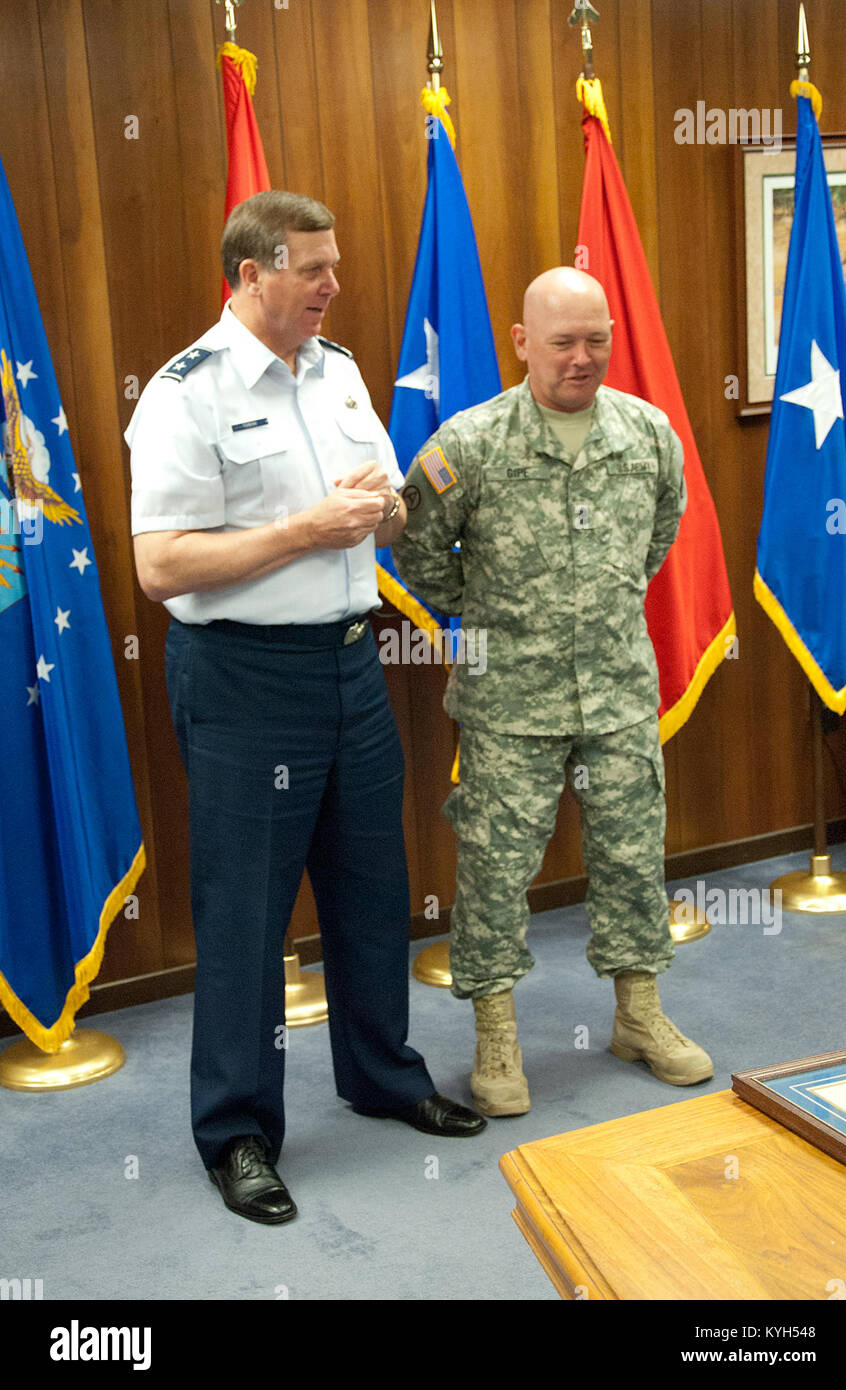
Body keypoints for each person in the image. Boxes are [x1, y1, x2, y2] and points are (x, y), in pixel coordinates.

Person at [125, 190, 485, 1226]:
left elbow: (384, 504)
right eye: (313, 269)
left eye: (335, 266)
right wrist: (308, 527)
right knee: (245, 912)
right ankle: (236, 1131)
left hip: (347, 665)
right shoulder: (182, 394)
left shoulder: (338, 371)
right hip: (243, 680)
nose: (334, 285)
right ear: (250, 275)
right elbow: (161, 566)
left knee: (373, 885)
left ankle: (382, 1073)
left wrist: (385, 509)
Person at [392, 267, 713, 1117]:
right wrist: (495, 612)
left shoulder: (648, 434)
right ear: (522, 342)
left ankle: (639, 1014)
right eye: (563, 341)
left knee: (633, 857)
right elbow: (418, 551)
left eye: (596, 339)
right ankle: (496, 1035)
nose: (582, 357)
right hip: (510, 703)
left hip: (617, 691)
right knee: (496, 871)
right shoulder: (468, 443)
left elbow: (658, 536)